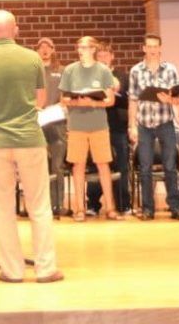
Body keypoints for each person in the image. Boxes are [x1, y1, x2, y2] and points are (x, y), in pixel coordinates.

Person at [0, 10, 61, 284]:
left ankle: (12, 271)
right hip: (30, 139)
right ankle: (45, 269)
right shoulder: (32, 58)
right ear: (16, 30)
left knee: (3, 207)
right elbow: (40, 101)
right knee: (39, 205)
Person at [127, 33, 179, 221]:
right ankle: (147, 209)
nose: (153, 50)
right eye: (149, 46)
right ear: (143, 48)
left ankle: (175, 207)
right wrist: (132, 126)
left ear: (160, 48)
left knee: (170, 166)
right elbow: (133, 100)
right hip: (144, 124)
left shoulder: (170, 69)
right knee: (145, 167)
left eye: (156, 46)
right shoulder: (136, 71)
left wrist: (169, 98)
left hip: (165, 122)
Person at [60, 36, 117, 221]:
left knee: (103, 164)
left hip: (99, 125)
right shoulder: (70, 70)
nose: (80, 50)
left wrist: (93, 102)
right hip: (76, 126)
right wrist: (77, 101)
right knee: (78, 165)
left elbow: (110, 100)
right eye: (79, 47)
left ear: (93, 49)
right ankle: (79, 209)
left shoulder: (103, 71)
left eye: (84, 47)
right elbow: (63, 99)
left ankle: (110, 208)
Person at [88, 44, 131, 216]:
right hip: (96, 126)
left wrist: (116, 88)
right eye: (100, 56)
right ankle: (93, 204)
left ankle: (122, 204)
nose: (103, 58)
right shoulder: (91, 76)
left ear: (112, 56)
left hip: (117, 127)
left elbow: (127, 99)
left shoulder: (122, 75)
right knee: (94, 166)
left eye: (106, 55)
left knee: (121, 165)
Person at [35, 37, 67, 217]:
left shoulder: (62, 71)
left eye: (48, 47)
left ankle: (58, 205)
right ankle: (40, 205)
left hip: (56, 123)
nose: (45, 50)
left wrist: (59, 105)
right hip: (37, 122)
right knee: (38, 166)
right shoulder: (32, 72)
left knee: (57, 166)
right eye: (41, 47)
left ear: (54, 50)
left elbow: (65, 95)